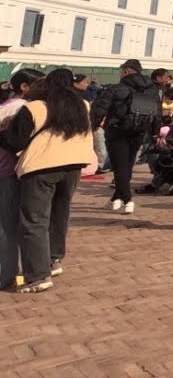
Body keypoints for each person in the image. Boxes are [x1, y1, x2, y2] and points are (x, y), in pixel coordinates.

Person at [0, 69, 95, 293]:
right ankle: (53, 261)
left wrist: (4, 130)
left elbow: (14, 142)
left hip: (41, 167)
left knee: (34, 220)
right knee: (59, 214)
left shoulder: (34, 108)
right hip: (74, 165)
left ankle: (37, 275)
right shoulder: (83, 106)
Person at [90, 59, 158, 215]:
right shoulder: (151, 90)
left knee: (119, 166)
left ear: (126, 71)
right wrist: (154, 132)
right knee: (127, 164)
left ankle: (127, 199)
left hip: (117, 130)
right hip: (140, 130)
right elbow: (157, 112)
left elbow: (99, 109)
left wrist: (94, 127)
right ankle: (116, 198)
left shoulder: (115, 89)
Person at [0, 68, 44, 290]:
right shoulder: (21, 108)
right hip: (8, 171)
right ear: (25, 87)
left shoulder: (10, 106)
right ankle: (6, 273)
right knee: (7, 225)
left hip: (7, 170)